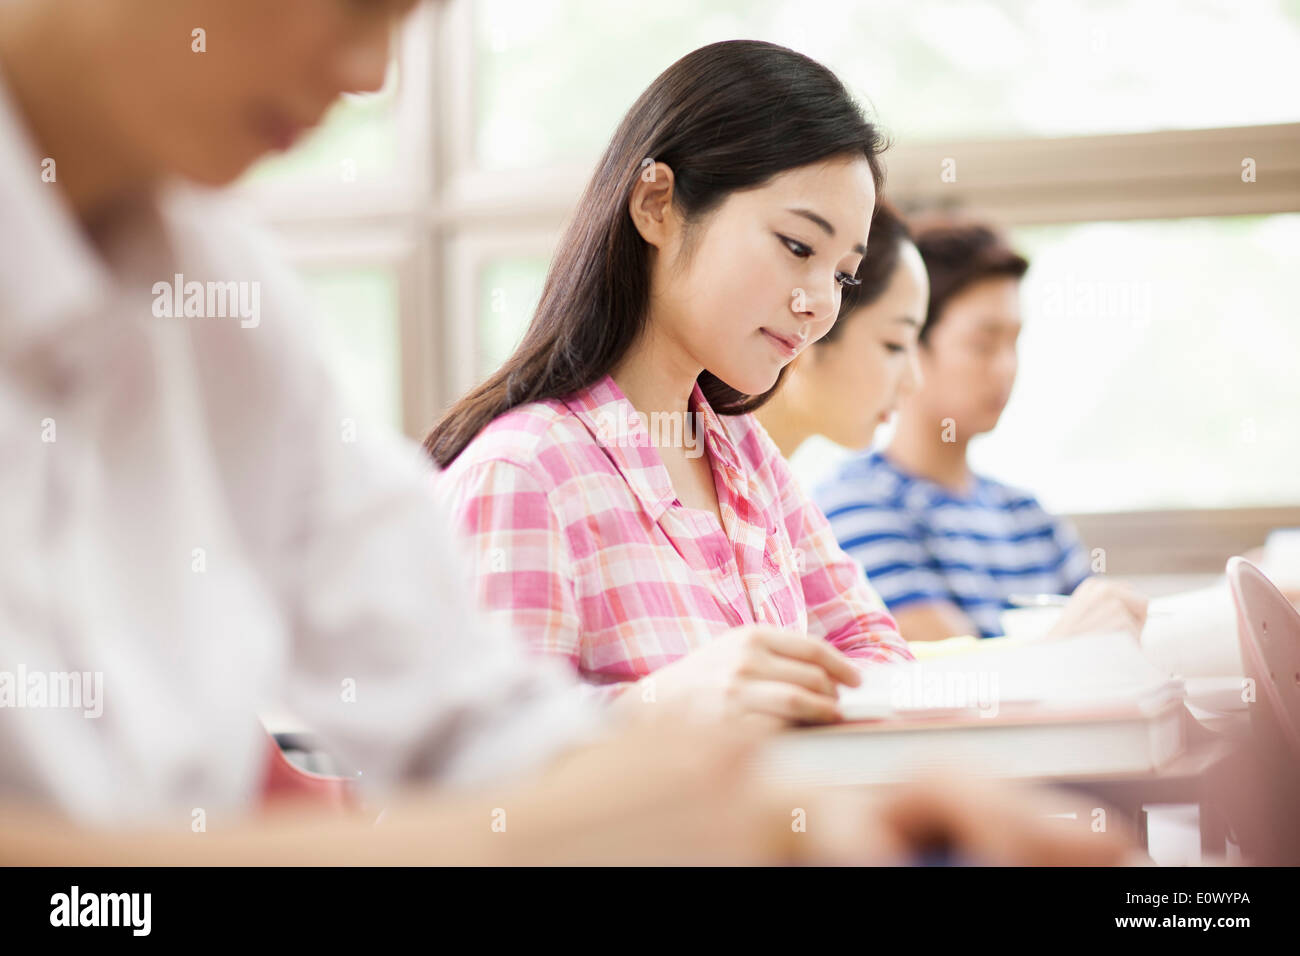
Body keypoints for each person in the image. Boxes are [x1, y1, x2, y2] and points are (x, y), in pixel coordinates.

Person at [0, 0, 1134, 865]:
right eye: (354, 4)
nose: (371, 71)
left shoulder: (213, 295)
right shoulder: (530, 464)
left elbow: (467, 715)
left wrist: (805, 818)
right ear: (656, 205)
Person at [431, 40, 914, 728]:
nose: (821, 304)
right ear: (657, 204)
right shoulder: (523, 474)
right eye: (799, 247)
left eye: (842, 273)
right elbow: (480, 774)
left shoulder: (744, 458)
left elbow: (871, 648)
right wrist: (667, 706)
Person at [760, 206, 1148, 645]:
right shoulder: (853, 507)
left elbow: (1113, 642)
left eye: (1014, 343)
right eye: (983, 344)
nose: (1006, 368)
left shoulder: (1029, 517)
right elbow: (940, 684)